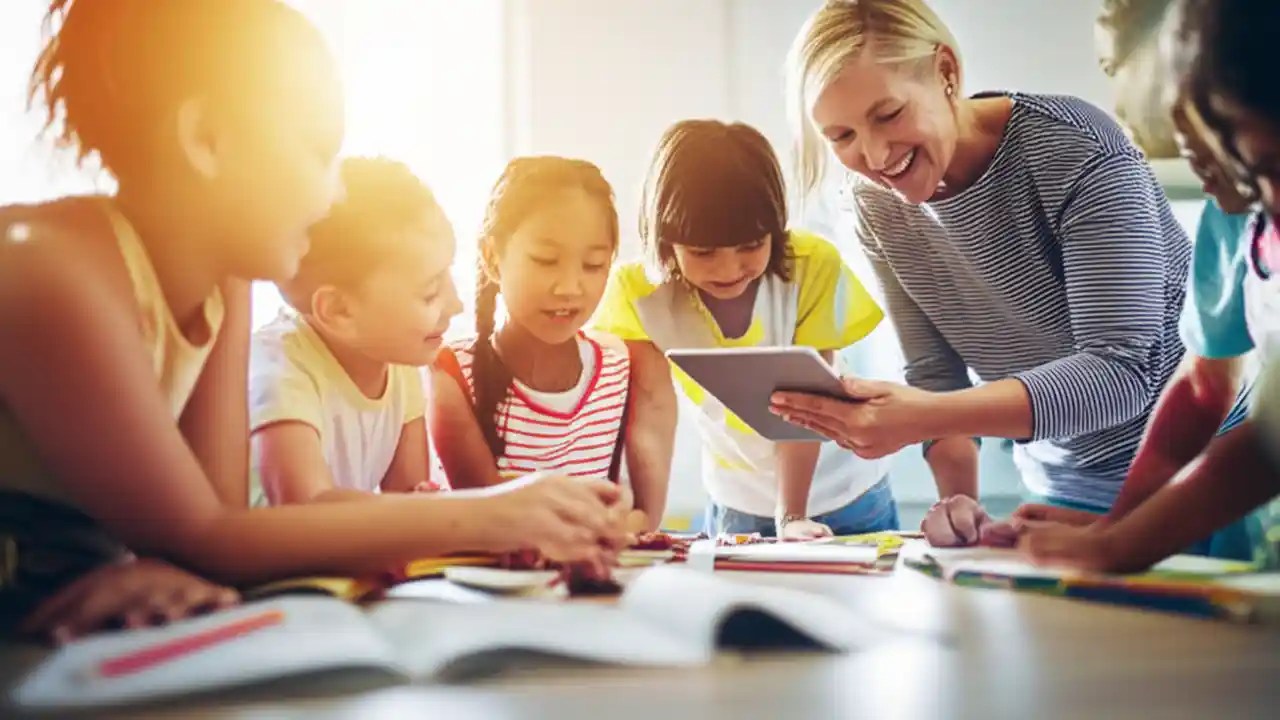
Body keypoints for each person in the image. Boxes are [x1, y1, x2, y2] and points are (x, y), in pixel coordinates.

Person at [0, 0, 626, 635]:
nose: (333, 193)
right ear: (205, 140)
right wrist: (493, 512)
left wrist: (506, 514)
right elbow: (206, 537)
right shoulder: (54, 272)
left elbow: (220, 532)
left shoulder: (225, 283)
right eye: (321, 153)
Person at [771, 0, 1249, 551]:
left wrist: (918, 417)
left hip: (1204, 477)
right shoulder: (873, 205)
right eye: (841, 136)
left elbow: (1121, 372)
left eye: (888, 115)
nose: (874, 155)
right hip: (1059, 489)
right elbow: (935, 372)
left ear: (946, 72)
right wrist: (960, 502)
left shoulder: (1077, 148)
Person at [1019, 0, 1280, 571]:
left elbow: (1266, 446)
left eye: (1258, 165)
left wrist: (1118, 543)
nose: (1219, 179)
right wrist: (1116, 531)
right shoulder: (1237, 215)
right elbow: (1230, 411)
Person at [593, 119, 896, 539]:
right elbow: (649, 411)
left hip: (847, 491)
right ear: (665, 240)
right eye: (703, 252)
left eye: (751, 246)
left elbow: (806, 401)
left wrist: (792, 515)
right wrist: (646, 516)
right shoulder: (636, 290)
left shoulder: (811, 265)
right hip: (736, 497)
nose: (730, 269)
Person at [430, 157, 672, 529]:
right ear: (493, 257)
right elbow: (501, 526)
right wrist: (611, 520)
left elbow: (646, 524)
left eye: (593, 265)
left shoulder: (634, 368)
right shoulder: (452, 375)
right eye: (546, 261)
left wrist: (624, 522)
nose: (570, 288)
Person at [250, 157, 460, 505]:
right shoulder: (281, 370)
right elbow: (306, 510)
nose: (456, 305)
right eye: (430, 292)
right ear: (339, 311)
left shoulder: (399, 356)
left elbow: (411, 498)